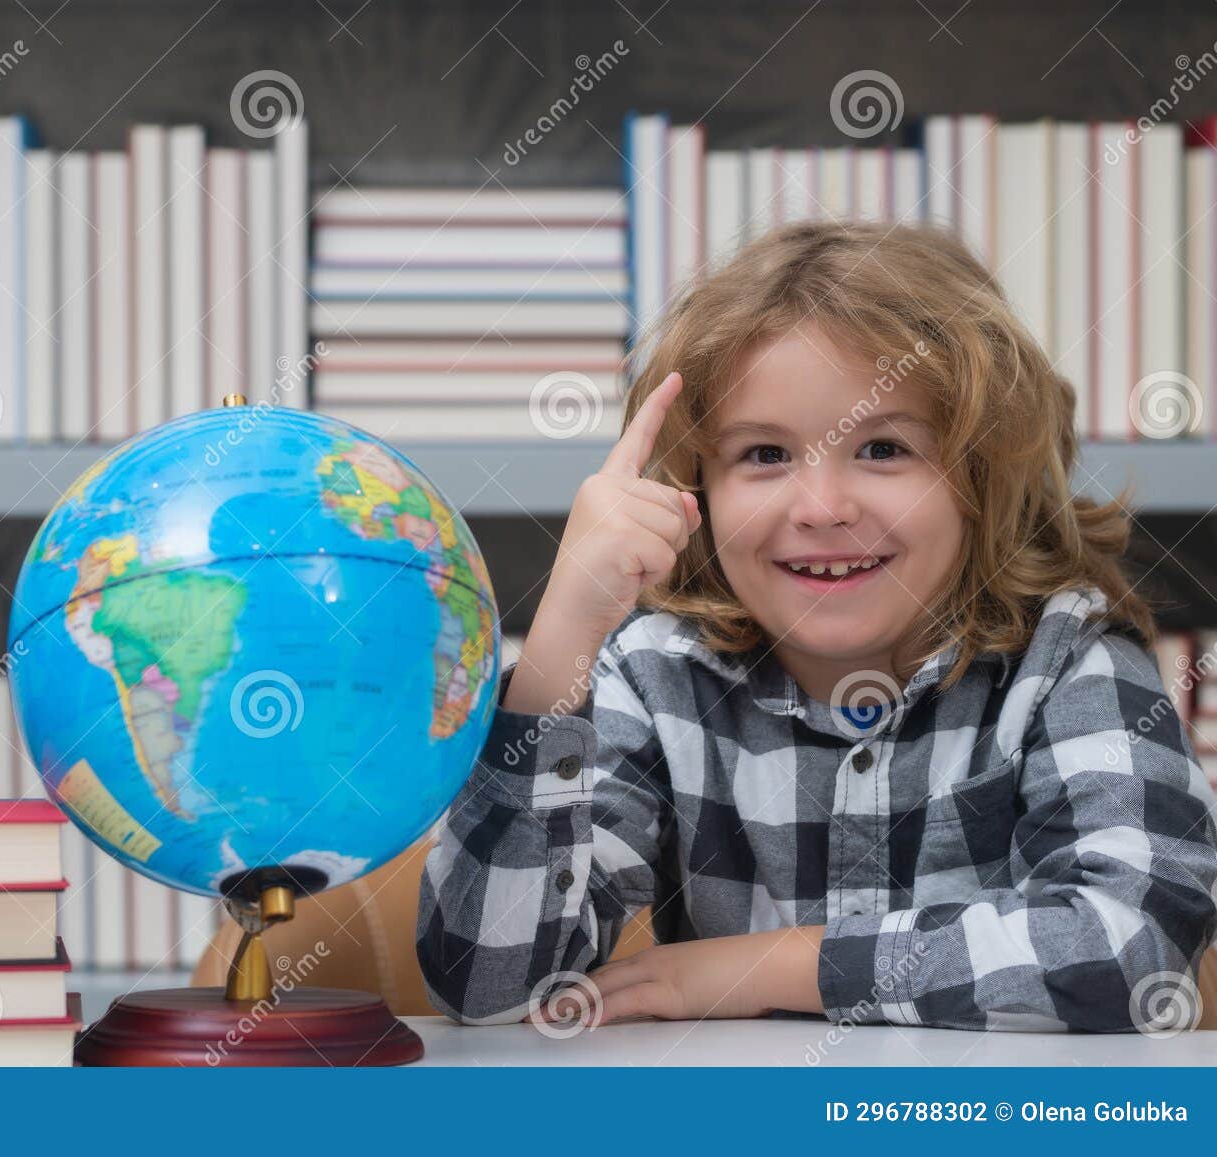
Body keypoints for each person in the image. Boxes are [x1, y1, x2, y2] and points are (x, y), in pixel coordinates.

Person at [415, 219, 1217, 1033]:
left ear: (981, 473)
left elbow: (1134, 946)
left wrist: (770, 966)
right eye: (764, 454)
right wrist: (561, 639)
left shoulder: (1071, 662)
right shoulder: (653, 676)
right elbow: (484, 984)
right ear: (696, 489)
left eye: (882, 448)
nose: (823, 508)